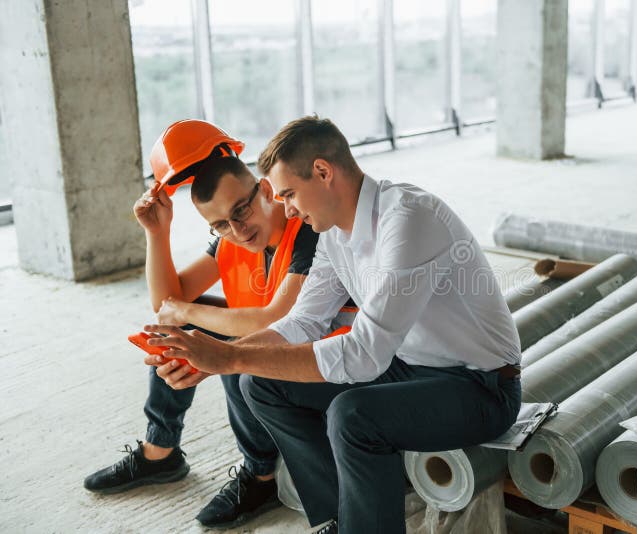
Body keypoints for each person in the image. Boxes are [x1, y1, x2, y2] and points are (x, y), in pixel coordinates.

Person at [144, 116, 521, 534]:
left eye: (288, 194)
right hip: (409, 366)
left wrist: (230, 356)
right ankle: (337, 521)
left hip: (480, 386)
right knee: (259, 384)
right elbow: (302, 322)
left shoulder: (408, 219)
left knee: (352, 414)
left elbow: (364, 355)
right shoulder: (332, 234)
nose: (286, 209)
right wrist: (221, 360)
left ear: (323, 172)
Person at [84, 120, 353, 529]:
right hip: (273, 343)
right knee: (170, 333)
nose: (237, 231)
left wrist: (191, 319)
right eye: (220, 225)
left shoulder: (308, 227)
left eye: (241, 211)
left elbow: (277, 318)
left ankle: (260, 473)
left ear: (265, 191)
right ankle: (161, 450)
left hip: (323, 360)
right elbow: (164, 304)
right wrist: (158, 233)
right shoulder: (232, 237)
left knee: (230, 344)